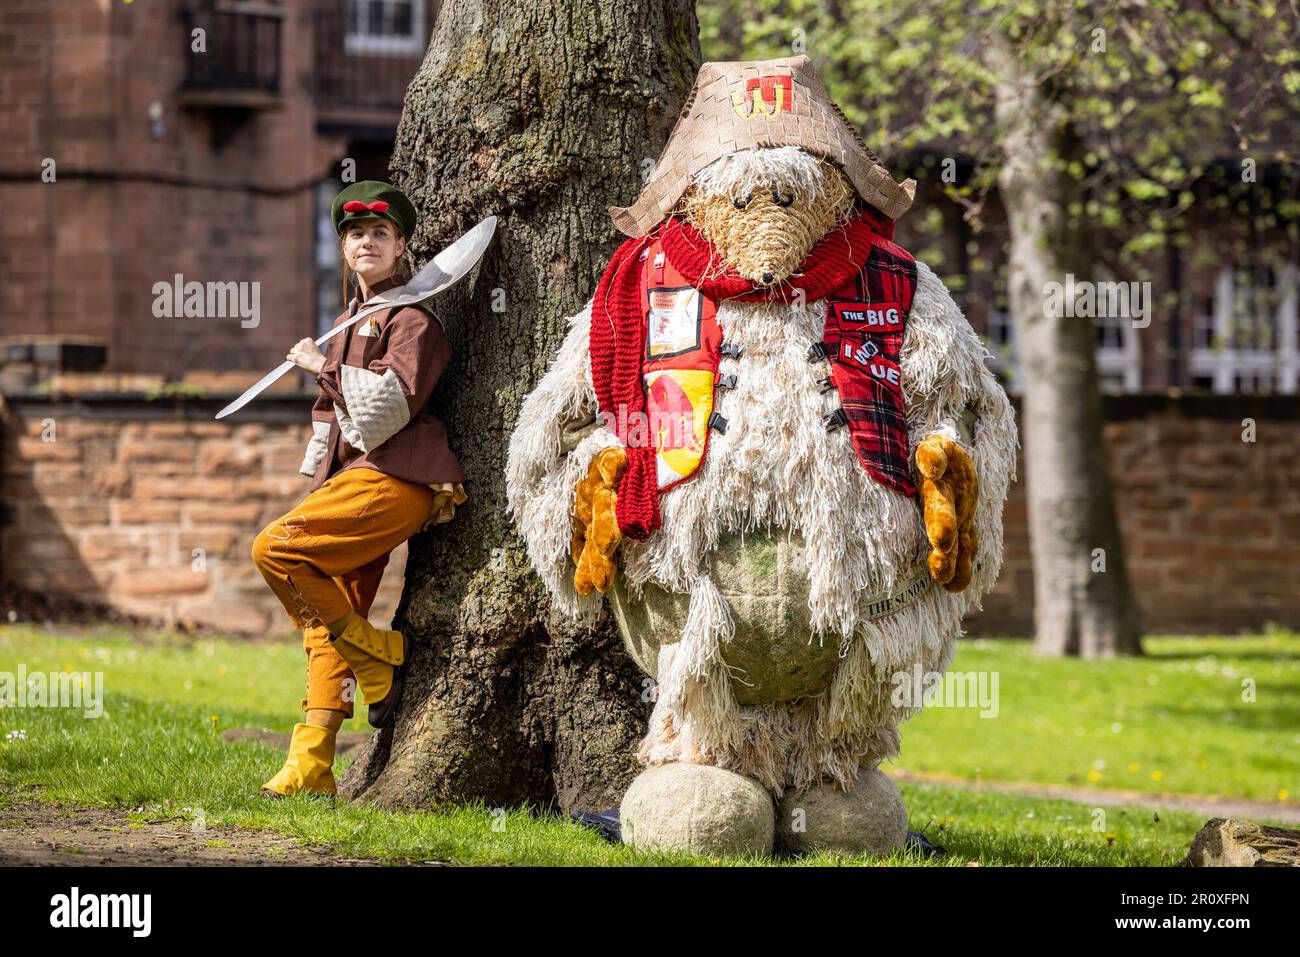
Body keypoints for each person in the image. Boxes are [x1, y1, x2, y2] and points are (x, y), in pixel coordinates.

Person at [253, 180, 467, 798]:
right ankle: (312, 762)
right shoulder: (346, 320)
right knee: (327, 617)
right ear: (343, 249)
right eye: (354, 234)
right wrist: (326, 370)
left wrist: (321, 368)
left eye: (379, 233)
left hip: (397, 479)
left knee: (275, 549)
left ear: (401, 245)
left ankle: (378, 654)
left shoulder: (412, 318)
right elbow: (331, 420)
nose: (365, 242)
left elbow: (389, 409)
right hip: (352, 481)